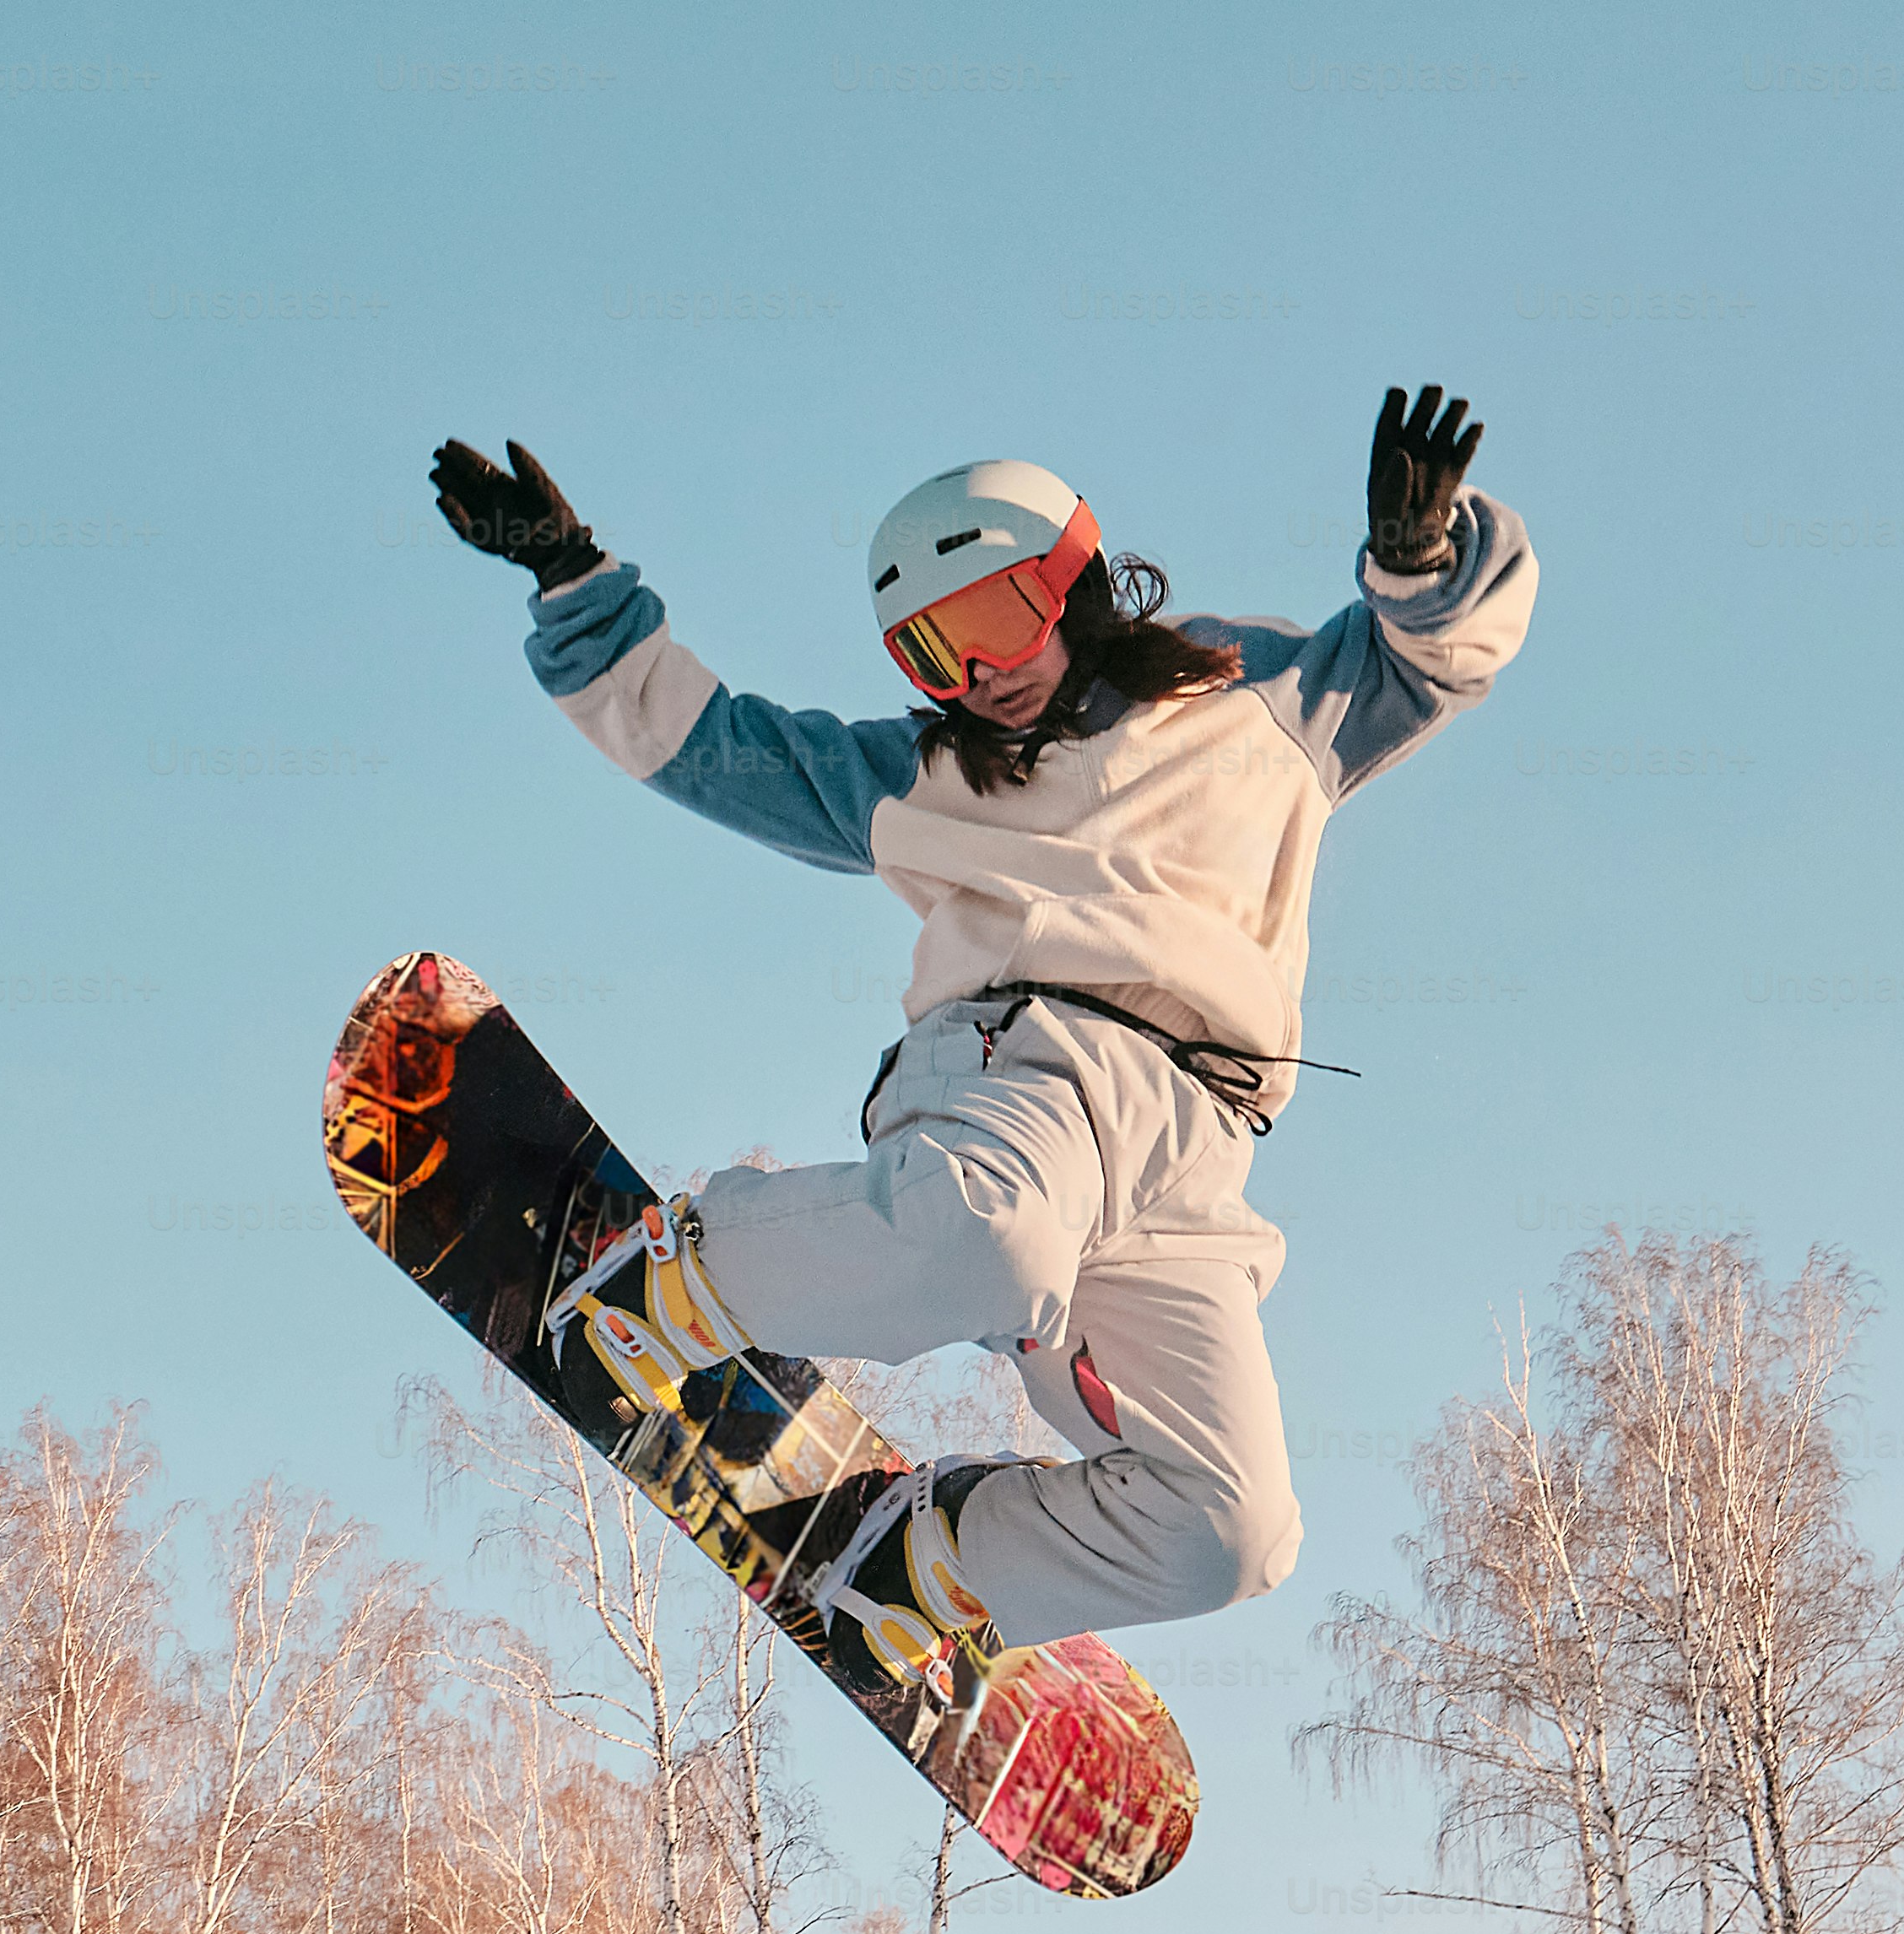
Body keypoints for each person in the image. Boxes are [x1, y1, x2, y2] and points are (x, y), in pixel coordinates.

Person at [425, 389, 1532, 1689]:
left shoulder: (1259, 693)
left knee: (1228, 1530)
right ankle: (675, 1278)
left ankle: (932, 1565)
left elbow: (1433, 660)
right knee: (991, 1233)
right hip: (1030, 1068)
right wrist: (573, 579)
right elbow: (710, 748)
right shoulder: (923, 775)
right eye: (931, 654)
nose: (979, 674)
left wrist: (1417, 558)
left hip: (1195, 1150)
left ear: (1076, 586)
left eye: (998, 621)